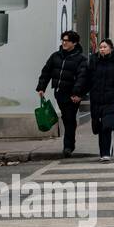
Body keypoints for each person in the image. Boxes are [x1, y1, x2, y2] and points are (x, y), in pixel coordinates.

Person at [72, 38, 114, 162]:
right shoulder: (93, 62)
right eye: (101, 47)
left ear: (111, 49)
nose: (102, 49)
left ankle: (106, 153)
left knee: (108, 126)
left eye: (105, 47)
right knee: (100, 127)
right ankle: (103, 151)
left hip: (112, 100)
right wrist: (78, 93)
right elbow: (86, 80)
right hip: (97, 100)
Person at [35, 30, 86, 158]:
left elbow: (82, 77)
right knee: (66, 117)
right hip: (60, 92)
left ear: (74, 42)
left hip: (73, 94)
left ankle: (68, 146)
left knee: (69, 117)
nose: (64, 43)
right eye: (63, 40)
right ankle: (70, 143)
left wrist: (77, 93)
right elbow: (46, 72)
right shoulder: (55, 56)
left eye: (67, 41)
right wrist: (41, 87)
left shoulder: (81, 59)